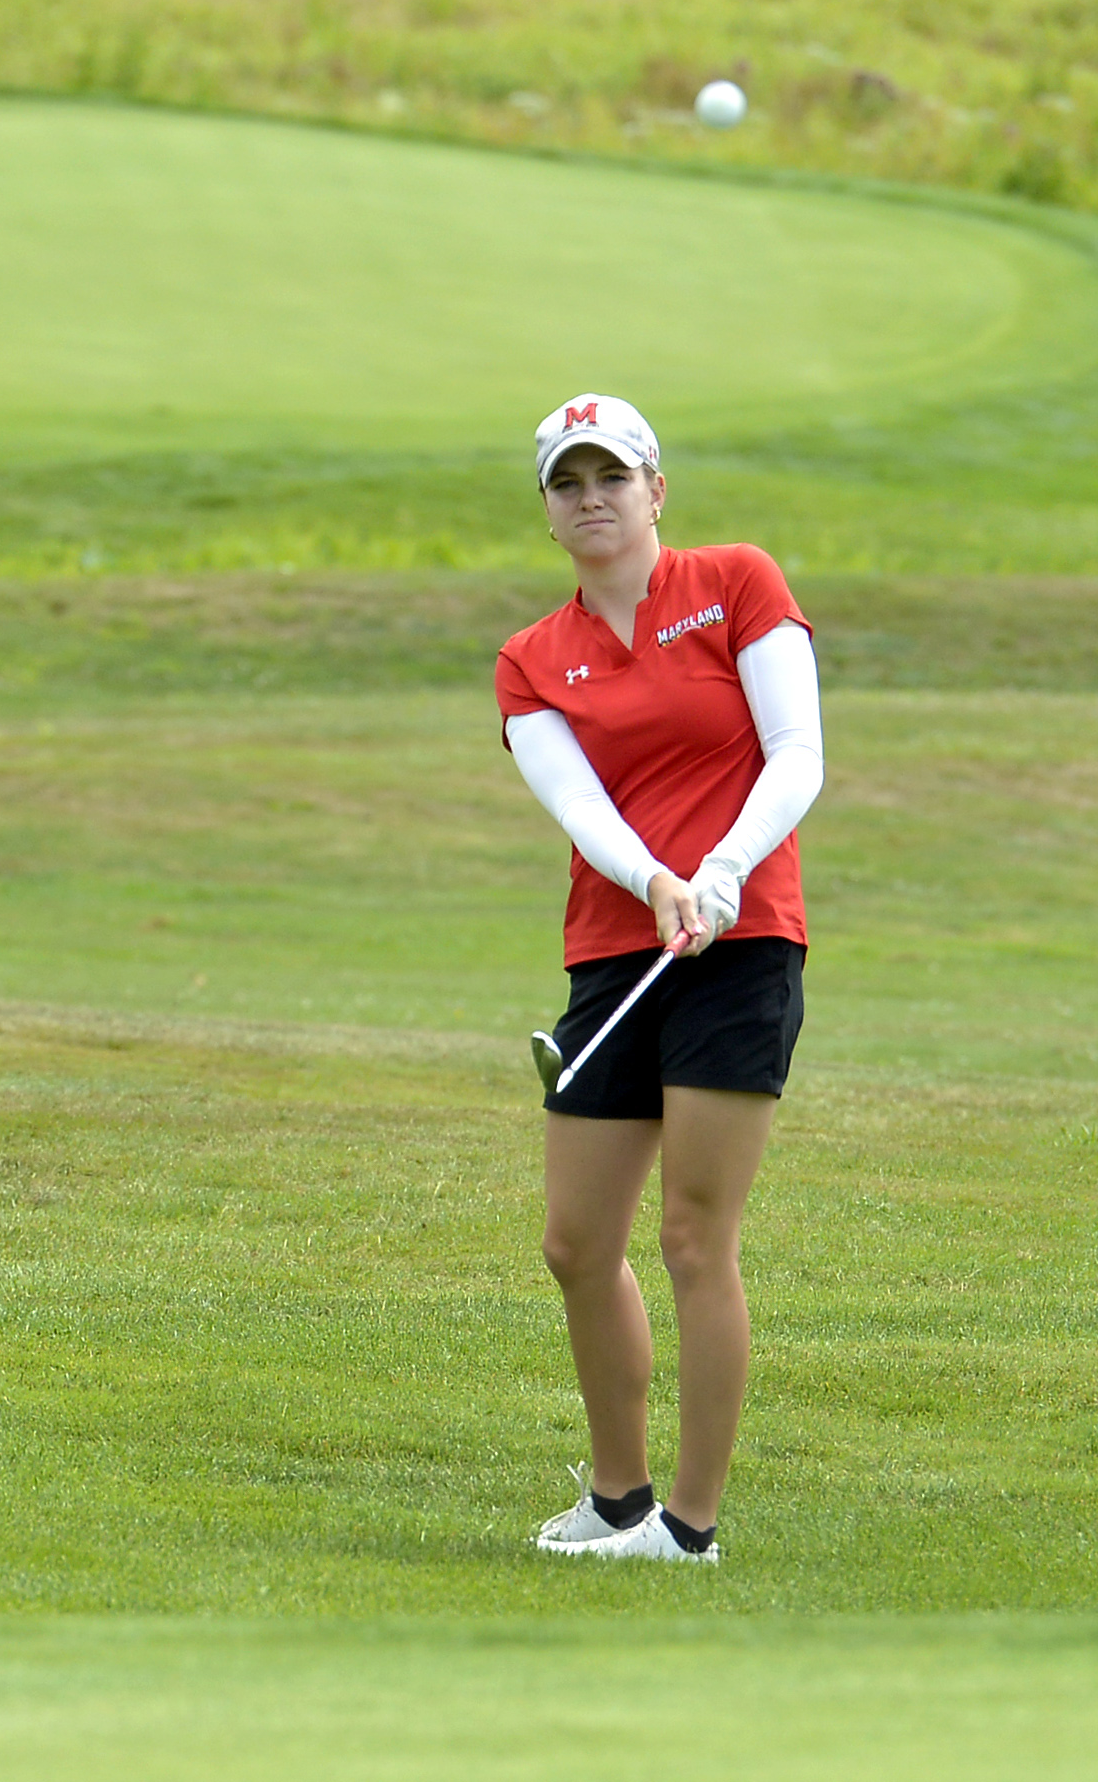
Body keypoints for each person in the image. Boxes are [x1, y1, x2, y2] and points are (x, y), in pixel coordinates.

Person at [494, 393, 824, 1565]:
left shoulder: (736, 581)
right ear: (548, 510)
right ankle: (618, 1496)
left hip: (739, 944)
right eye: (568, 482)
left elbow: (797, 752)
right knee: (575, 1243)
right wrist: (656, 881)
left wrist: (723, 869)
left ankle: (689, 1526)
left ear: (655, 490)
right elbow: (577, 803)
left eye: (612, 477)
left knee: (694, 1235)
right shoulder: (532, 659)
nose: (592, 498)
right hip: (618, 946)